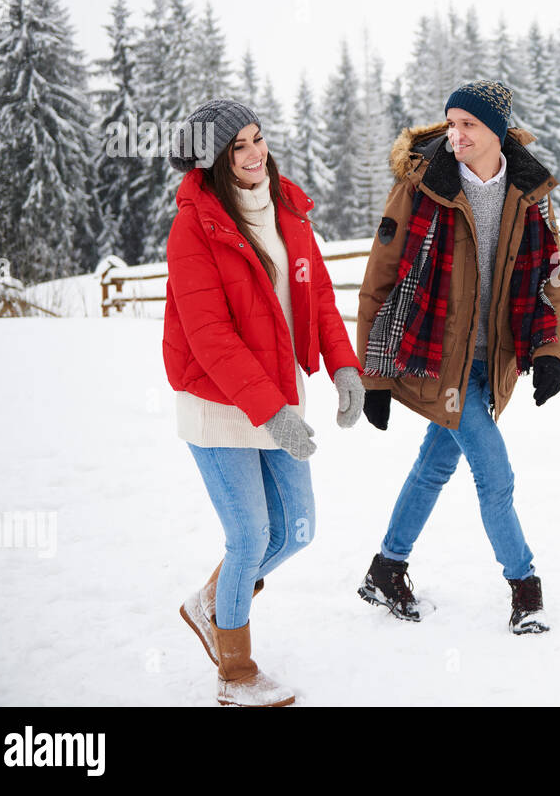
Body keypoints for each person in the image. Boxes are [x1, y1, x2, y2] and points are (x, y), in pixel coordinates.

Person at [164, 99, 364, 706]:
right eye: (238, 148)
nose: (256, 155)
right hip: (219, 403)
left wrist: (344, 367)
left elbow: (319, 300)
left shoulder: (289, 214)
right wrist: (272, 412)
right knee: (249, 536)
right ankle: (236, 673)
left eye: (257, 139)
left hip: (279, 393)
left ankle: (213, 602)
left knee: (297, 529)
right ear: (215, 163)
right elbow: (210, 336)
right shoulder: (193, 227)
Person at [354, 80, 560, 635]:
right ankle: (525, 589)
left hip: (491, 361)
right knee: (495, 476)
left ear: (497, 132)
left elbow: (552, 277)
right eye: (451, 123)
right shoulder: (423, 186)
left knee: (433, 466)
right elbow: (379, 281)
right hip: (436, 361)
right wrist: (374, 376)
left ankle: (387, 567)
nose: (456, 134)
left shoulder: (529, 191)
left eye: (468, 124)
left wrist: (550, 352)